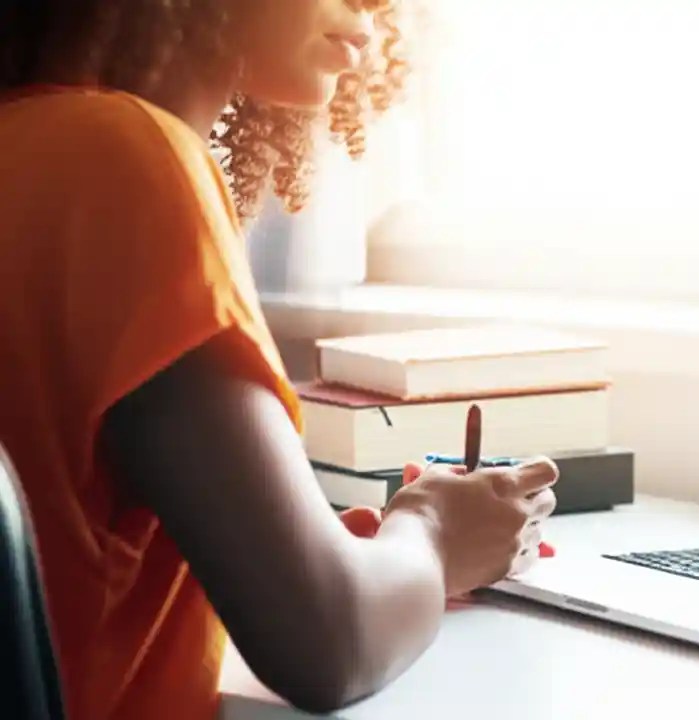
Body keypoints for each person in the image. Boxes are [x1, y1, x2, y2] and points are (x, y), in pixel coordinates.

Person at [0, 2, 558, 719]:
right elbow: (328, 648)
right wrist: (434, 532)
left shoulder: (30, 150)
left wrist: (318, 558)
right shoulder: (124, 158)